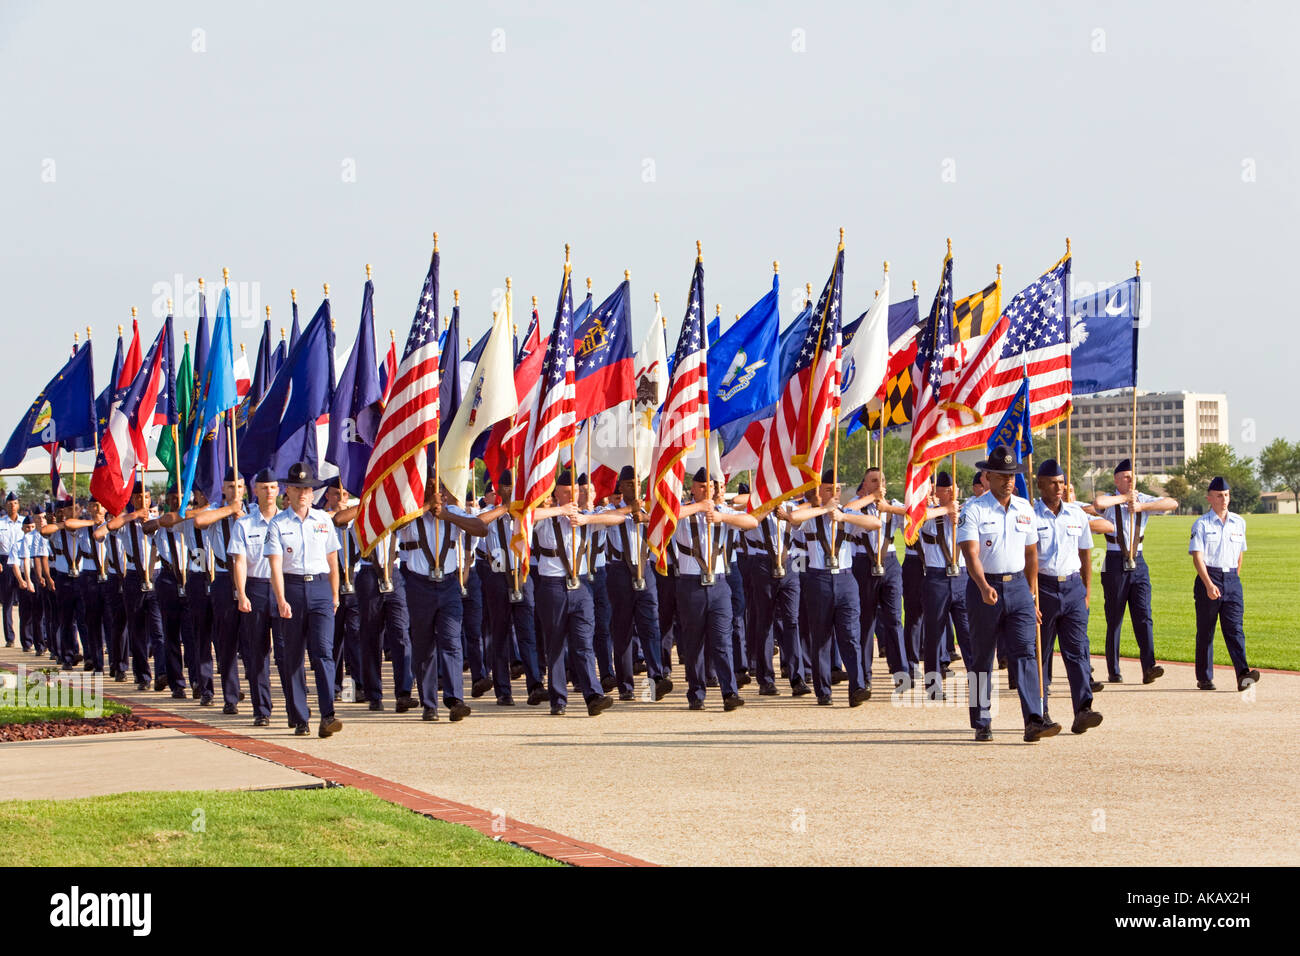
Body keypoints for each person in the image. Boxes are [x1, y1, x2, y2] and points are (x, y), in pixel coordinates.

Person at [958, 445, 1061, 743]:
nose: (1008, 481)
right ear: (988, 476)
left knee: (1026, 653)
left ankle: (1033, 719)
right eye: (1002, 476)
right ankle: (982, 720)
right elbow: (971, 554)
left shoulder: (1025, 509)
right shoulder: (974, 509)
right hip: (983, 589)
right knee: (981, 659)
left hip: (1018, 589)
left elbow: (1032, 556)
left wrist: (1030, 595)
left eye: (1012, 475)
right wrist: (982, 586)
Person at [395, 477, 489, 722]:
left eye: (441, 489)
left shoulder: (453, 512)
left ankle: (455, 699)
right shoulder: (411, 513)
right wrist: (426, 507)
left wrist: (447, 516)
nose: (439, 494)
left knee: (451, 642)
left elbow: (481, 528)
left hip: (448, 585)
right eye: (432, 489)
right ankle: (429, 703)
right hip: (418, 584)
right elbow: (393, 526)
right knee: (424, 646)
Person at [789, 470, 880, 707]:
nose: (834, 493)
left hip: (845, 579)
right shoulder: (811, 514)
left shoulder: (847, 513)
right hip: (818, 579)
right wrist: (823, 508)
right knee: (821, 637)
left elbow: (875, 522)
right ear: (819, 490)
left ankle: (858, 686)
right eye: (829, 489)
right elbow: (793, 517)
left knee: (850, 635)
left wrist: (844, 517)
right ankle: (823, 690)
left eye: (837, 489)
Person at [531, 470, 620, 716]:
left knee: (583, 643)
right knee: (556, 644)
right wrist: (560, 511)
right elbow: (525, 516)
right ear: (557, 493)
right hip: (552, 586)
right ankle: (558, 699)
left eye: (576, 491)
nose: (574, 495)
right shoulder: (545, 519)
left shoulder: (584, 517)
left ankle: (593, 695)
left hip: (580, 586)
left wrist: (586, 521)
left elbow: (617, 518)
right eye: (567, 491)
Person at [264, 461, 343, 738]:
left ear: (312, 493)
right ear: (288, 491)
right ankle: (300, 716)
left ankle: (328, 714)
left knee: (323, 652)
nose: (302, 494)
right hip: (293, 588)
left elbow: (333, 559)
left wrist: (334, 594)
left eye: (306, 489)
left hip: (320, 588)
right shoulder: (278, 523)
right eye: (297, 489)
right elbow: (275, 565)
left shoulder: (323, 520)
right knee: (293, 656)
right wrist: (281, 598)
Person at [1033, 459, 1107, 734]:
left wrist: (1087, 591)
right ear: (1040, 484)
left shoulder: (1076, 514)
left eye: (1062, 482)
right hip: (1044, 587)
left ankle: (1083, 709)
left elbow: (1085, 553)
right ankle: (1041, 712)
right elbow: (1027, 558)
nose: (1059, 487)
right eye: (1053, 482)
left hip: (1073, 587)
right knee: (1042, 654)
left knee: (1077, 652)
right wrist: (1031, 595)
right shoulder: (1031, 515)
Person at [1093, 459, 1178, 684]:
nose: (1131, 480)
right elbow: (1098, 501)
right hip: (1113, 560)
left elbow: (1172, 503)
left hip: (1138, 560)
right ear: (1116, 480)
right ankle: (1114, 669)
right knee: (1115, 618)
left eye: (1133, 476)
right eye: (1126, 477)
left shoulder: (1142, 498)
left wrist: (1141, 506)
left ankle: (1149, 666)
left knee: (1144, 616)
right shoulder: (1111, 500)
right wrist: (1124, 499)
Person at [476, 471, 547, 707]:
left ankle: (535, 685)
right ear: (498, 490)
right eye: (504, 487)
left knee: (527, 634)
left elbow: (544, 513)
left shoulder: (524, 516)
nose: (508, 491)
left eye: (512, 487)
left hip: (522, 575)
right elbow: (478, 523)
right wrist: (503, 508)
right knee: (500, 635)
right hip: (497, 577)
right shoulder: (490, 514)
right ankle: (503, 690)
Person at [604, 466, 673, 702]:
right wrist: (628, 510)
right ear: (621, 487)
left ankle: (655, 680)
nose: (635, 487)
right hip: (620, 572)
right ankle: (626, 686)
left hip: (646, 570)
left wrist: (644, 515)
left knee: (650, 627)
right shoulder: (610, 509)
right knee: (622, 630)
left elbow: (667, 518)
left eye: (638, 483)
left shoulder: (649, 509)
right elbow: (605, 520)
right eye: (630, 484)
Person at [1188, 477, 1261, 692]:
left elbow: (1239, 555)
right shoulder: (1202, 524)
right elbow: (1197, 557)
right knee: (1206, 631)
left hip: (1231, 580)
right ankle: (1204, 677)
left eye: (1227, 495)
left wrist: (1233, 579)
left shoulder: (1239, 522)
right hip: (1209, 577)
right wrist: (1209, 584)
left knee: (1235, 629)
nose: (1224, 499)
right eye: (1219, 495)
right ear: (1209, 498)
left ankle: (1243, 674)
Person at [846, 468, 910, 689]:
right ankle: (864, 675)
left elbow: (913, 514)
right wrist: (870, 499)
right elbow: (843, 511)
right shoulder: (857, 503)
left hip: (890, 562)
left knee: (893, 619)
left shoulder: (892, 504)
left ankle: (901, 672)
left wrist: (888, 508)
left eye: (881, 480)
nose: (878, 484)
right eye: (873, 480)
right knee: (866, 621)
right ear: (864, 484)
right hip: (863, 563)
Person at [194, 470, 248, 714]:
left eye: (238, 486)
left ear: (245, 489)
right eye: (229, 486)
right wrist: (229, 509)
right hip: (224, 578)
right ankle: (230, 696)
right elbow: (199, 521)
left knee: (254, 642)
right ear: (223, 489)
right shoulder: (216, 509)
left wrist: (241, 513)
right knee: (226, 641)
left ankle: (258, 695)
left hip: (250, 578)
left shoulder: (254, 512)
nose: (234, 490)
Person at [229, 468, 279, 727]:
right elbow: (239, 561)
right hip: (257, 589)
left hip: (285, 590)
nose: (269, 492)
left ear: (278, 490)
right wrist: (242, 593)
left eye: (272, 487)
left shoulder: (288, 522)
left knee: (287, 653)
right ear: (255, 491)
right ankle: (262, 710)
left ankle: (296, 708)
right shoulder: (244, 524)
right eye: (264, 487)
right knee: (257, 654)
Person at [916, 472, 971, 698]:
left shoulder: (966, 511)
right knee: (934, 632)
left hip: (963, 577)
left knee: (968, 632)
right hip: (937, 577)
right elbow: (916, 519)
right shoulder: (928, 514)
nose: (950, 493)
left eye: (953, 489)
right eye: (945, 489)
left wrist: (958, 517)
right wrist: (945, 511)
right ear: (936, 492)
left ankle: (977, 679)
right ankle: (933, 684)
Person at [106, 481, 165, 691]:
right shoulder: (126, 524)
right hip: (133, 577)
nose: (144, 501)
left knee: (159, 631)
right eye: (139, 497)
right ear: (133, 500)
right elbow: (109, 527)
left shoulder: (159, 520)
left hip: (157, 575)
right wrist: (133, 515)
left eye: (147, 497)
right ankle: (142, 676)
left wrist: (151, 520)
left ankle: (162, 672)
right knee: (137, 629)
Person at [0, 492, 24, 646]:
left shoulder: (24, 522)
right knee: (7, 602)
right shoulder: (1, 523)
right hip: (5, 561)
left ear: (18, 505)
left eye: (14, 503)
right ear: (5, 505)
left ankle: (28, 639)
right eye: (9, 503)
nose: (12, 506)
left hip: (22, 562)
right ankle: (10, 638)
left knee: (26, 602)